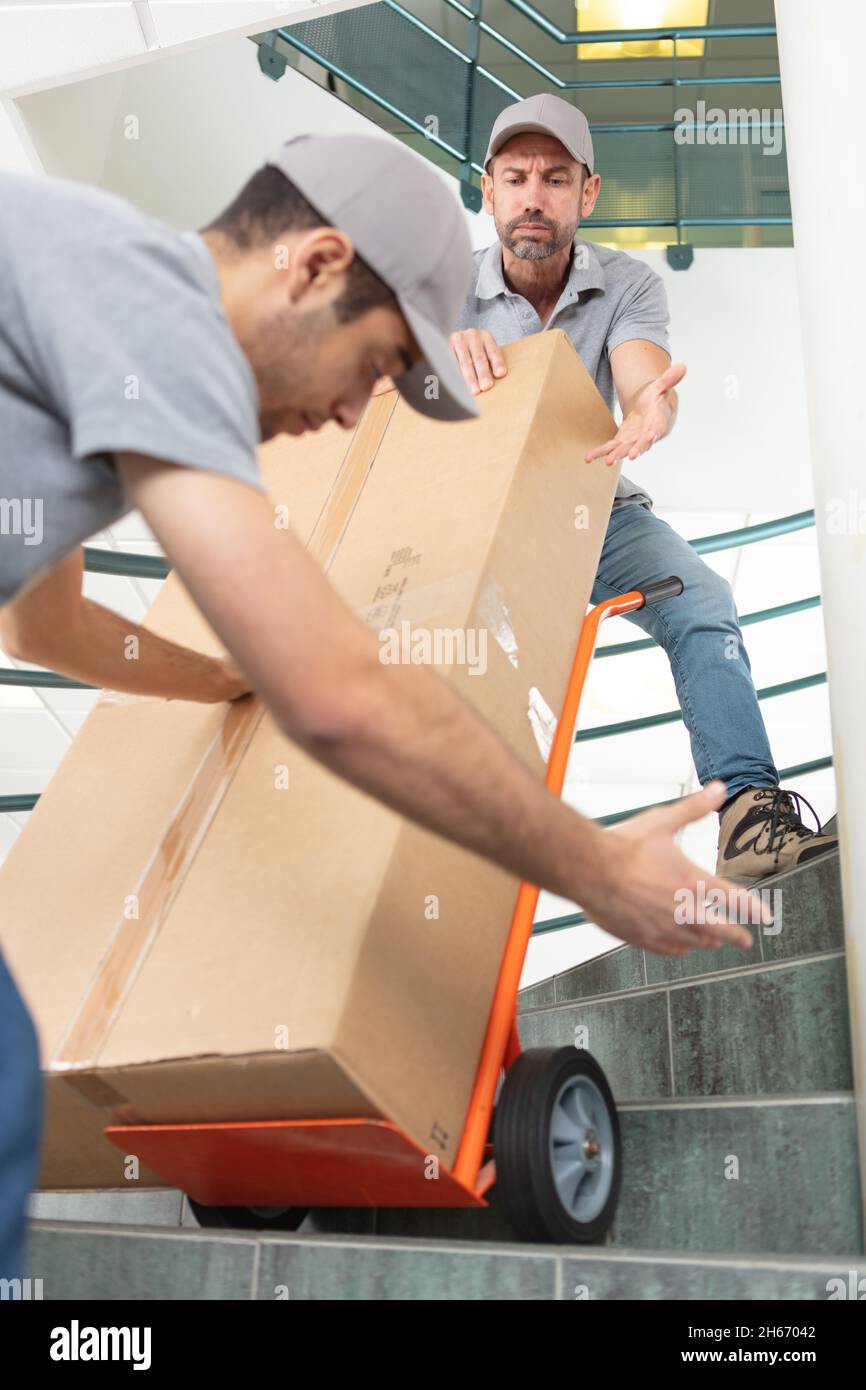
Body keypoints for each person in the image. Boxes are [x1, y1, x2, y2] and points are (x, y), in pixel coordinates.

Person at [0, 133, 763, 1280]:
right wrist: (598, 870)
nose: (358, 411)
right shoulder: (155, 320)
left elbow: (40, 625)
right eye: (374, 362)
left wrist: (216, 675)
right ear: (313, 264)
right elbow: (340, 696)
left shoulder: (88, 306)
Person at [451, 93, 838, 885]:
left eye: (555, 178)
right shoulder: (438, 297)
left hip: (597, 510)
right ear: (487, 190)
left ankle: (750, 821)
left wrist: (649, 407)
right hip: (475, 525)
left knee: (701, 600)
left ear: (587, 194)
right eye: (516, 177)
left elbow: (641, 376)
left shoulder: (627, 284)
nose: (534, 195)